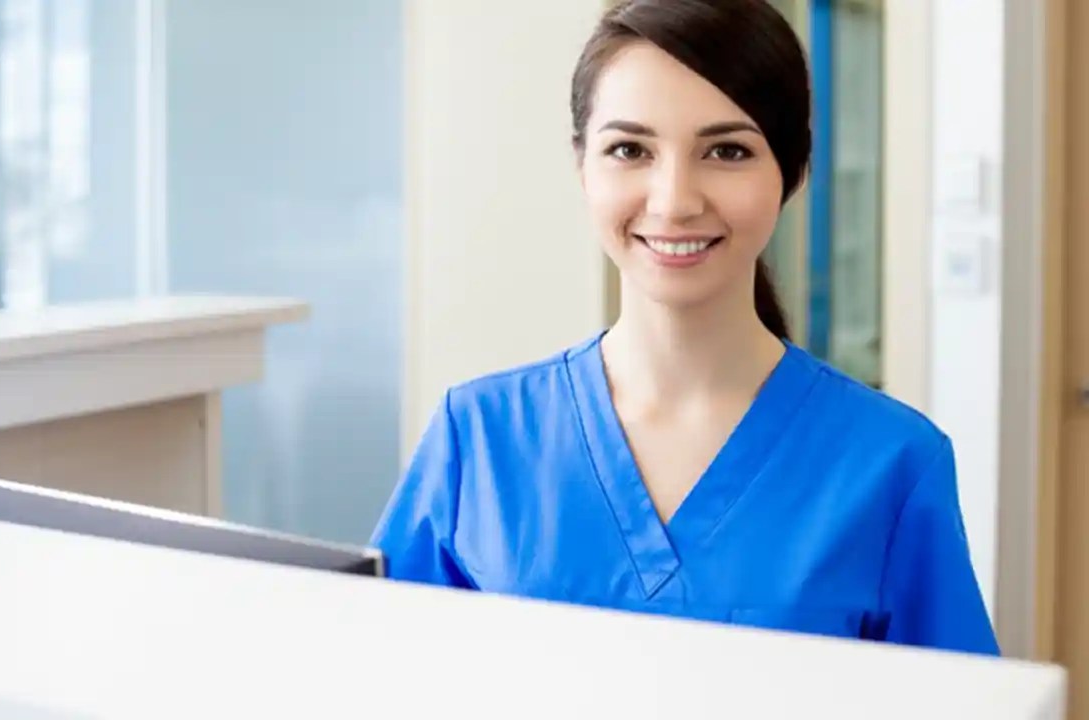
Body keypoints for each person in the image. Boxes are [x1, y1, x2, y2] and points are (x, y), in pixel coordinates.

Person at [371, 0, 999, 655]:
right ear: (583, 165)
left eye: (726, 150)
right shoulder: (478, 438)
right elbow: (377, 673)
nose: (674, 201)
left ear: (789, 170)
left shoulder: (891, 465)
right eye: (630, 149)